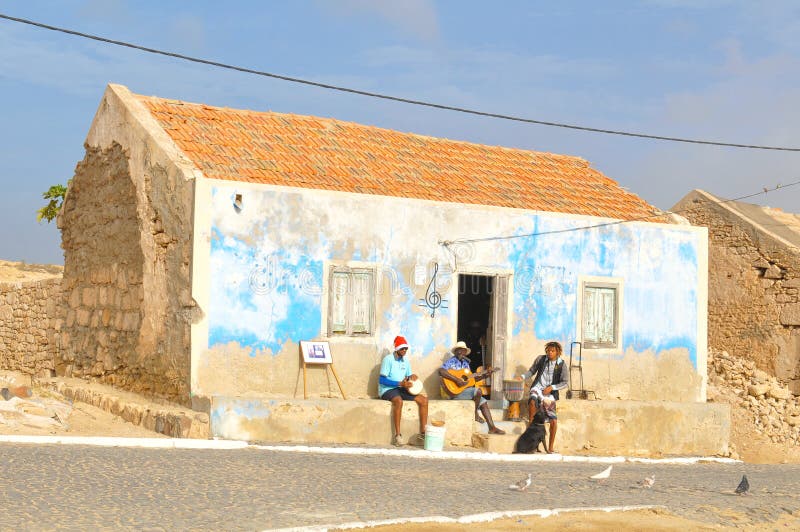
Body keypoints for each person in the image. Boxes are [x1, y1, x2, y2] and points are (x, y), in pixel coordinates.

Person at [438, 341, 505, 434]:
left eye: (463, 351)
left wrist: (485, 376)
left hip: (463, 392)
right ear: (456, 351)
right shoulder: (451, 361)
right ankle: (475, 414)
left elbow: (471, 380)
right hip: (452, 393)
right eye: (459, 351)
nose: (461, 353)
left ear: (465, 353)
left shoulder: (465, 364)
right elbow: (441, 371)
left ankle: (492, 427)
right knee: (478, 391)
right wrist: (456, 380)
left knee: (484, 402)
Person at [519, 340, 569, 453]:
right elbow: (531, 371)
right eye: (548, 350)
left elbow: (565, 382)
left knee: (553, 421)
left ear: (557, 352)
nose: (550, 353)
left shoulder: (561, 364)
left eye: (552, 351)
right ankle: (530, 440)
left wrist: (552, 387)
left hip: (550, 394)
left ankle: (550, 448)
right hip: (537, 388)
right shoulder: (541, 359)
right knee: (532, 402)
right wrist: (522, 377)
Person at [378, 335, 428, 446]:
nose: (404, 350)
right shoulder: (388, 360)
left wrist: (412, 377)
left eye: (406, 348)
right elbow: (381, 380)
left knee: (423, 400)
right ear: (397, 349)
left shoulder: (405, 361)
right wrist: (399, 383)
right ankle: (398, 435)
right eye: (402, 348)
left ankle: (423, 432)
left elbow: (408, 376)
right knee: (398, 401)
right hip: (387, 389)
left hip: (401, 388)